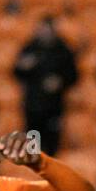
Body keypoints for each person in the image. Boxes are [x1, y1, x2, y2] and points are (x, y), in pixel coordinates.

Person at [14, 17, 78, 155]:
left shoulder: (63, 50)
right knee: (33, 144)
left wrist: (60, 81)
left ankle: (51, 171)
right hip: (32, 106)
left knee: (52, 144)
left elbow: (74, 75)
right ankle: (33, 168)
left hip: (54, 106)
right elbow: (16, 71)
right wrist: (23, 67)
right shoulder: (30, 47)